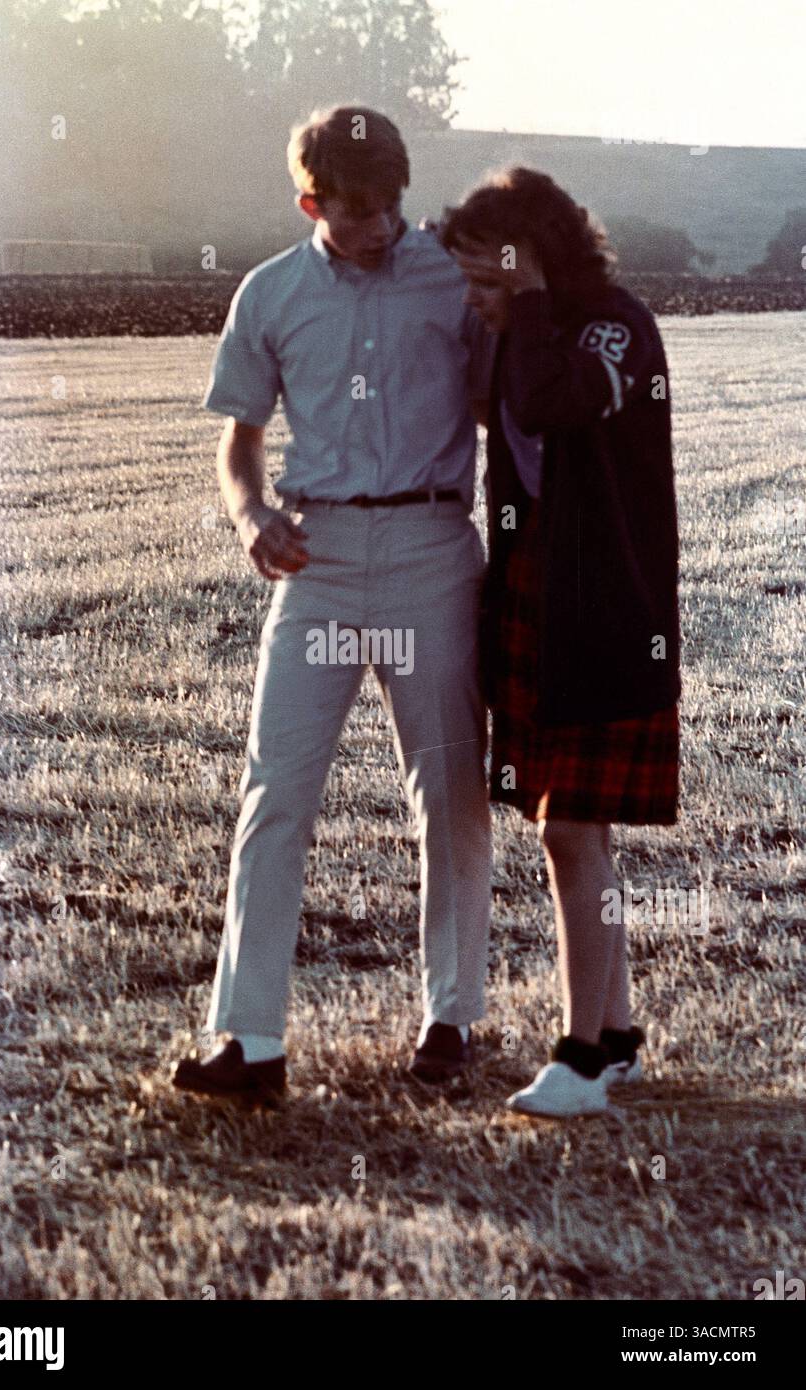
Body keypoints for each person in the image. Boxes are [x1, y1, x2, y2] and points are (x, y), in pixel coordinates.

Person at [173, 106, 494, 1102]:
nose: (378, 227)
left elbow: (503, 393)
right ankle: (250, 1040)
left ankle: (451, 1018)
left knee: (448, 788)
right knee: (276, 792)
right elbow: (238, 442)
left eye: (391, 206)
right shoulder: (267, 293)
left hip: (431, 549)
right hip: (315, 561)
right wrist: (250, 514)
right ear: (309, 200)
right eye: (355, 211)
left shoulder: (451, 275)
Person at [442, 168, 681, 1117]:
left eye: (491, 285)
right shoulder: (521, 333)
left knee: (570, 831)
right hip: (536, 595)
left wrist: (530, 297)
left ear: (540, 266)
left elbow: (550, 404)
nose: (479, 307)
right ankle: (616, 1036)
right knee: (576, 831)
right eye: (471, 287)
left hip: (603, 611)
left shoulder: (610, 327)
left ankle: (580, 1063)